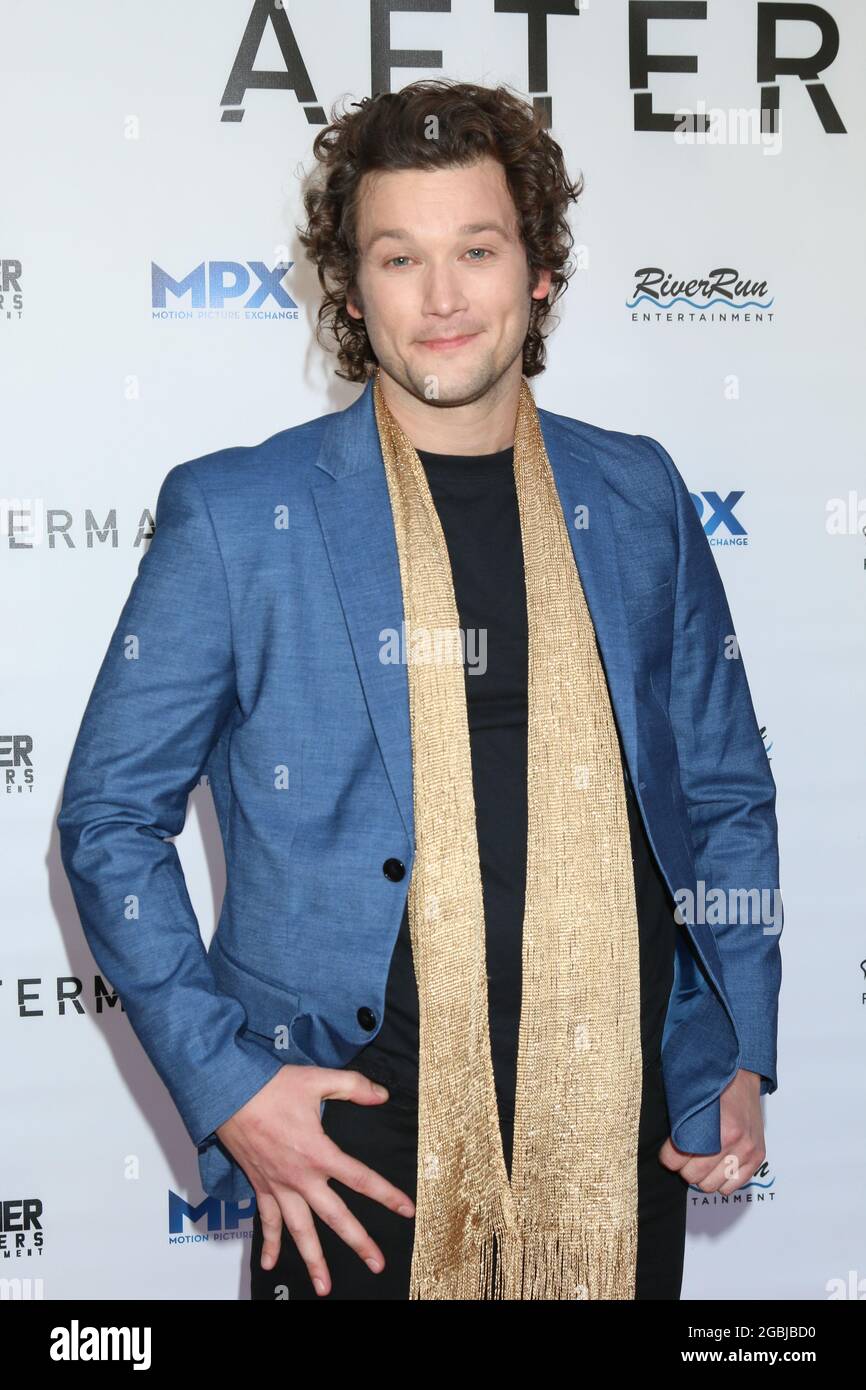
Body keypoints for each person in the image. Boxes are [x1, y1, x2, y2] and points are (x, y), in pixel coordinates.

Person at [57, 80, 783, 1301]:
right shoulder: (240, 515)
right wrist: (228, 1085)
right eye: (400, 258)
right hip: (346, 1154)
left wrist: (741, 1045)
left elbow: (722, 788)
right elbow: (106, 819)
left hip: (616, 1133)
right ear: (349, 288)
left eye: (476, 251)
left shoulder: (640, 495)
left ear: (538, 270)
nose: (441, 299)